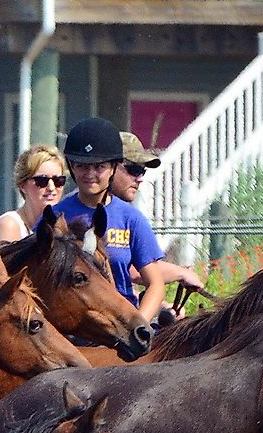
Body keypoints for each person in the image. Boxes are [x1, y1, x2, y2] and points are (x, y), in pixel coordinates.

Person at [55, 117, 167, 325]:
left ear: (114, 167)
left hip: (121, 325)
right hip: (70, 328)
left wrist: (138, 326)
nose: (90, 174)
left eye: (99, 166)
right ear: (72, 167)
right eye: (82, 166)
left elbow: (156, 284)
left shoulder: (131, 219)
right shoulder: (55, 217)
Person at [114, 131, 205, 295]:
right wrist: (182, 273)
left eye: (142, 171)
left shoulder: (131, 218)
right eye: (134, 169)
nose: (140, 178)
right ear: (109, 166)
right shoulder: (83, 214)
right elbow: (135, 271)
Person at [0, 144, 66, 249]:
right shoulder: (9, 225)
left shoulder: (63, 227)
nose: (51, 187)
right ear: (22, 185)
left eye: (58, 180)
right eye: (41, 181)